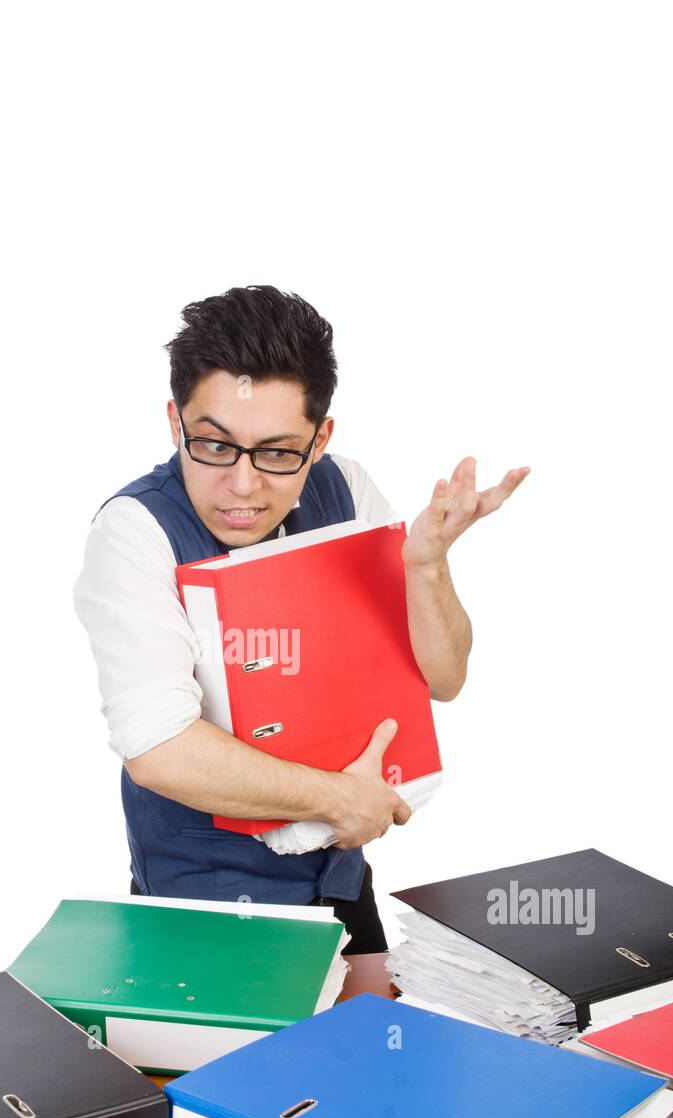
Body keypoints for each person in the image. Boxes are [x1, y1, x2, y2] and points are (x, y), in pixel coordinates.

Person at [74, 285, 528, 953]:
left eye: (278, 452)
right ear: (175, 423)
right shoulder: (134, 530)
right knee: (240, 1063)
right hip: (206, 900)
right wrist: (339, 801)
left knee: (377, 1049)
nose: (243, 484)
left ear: (320, 439)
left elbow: (442, 677)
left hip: (339, 876)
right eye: (213, 445)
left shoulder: (346, 489)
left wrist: (426, 564)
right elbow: (158, 748)